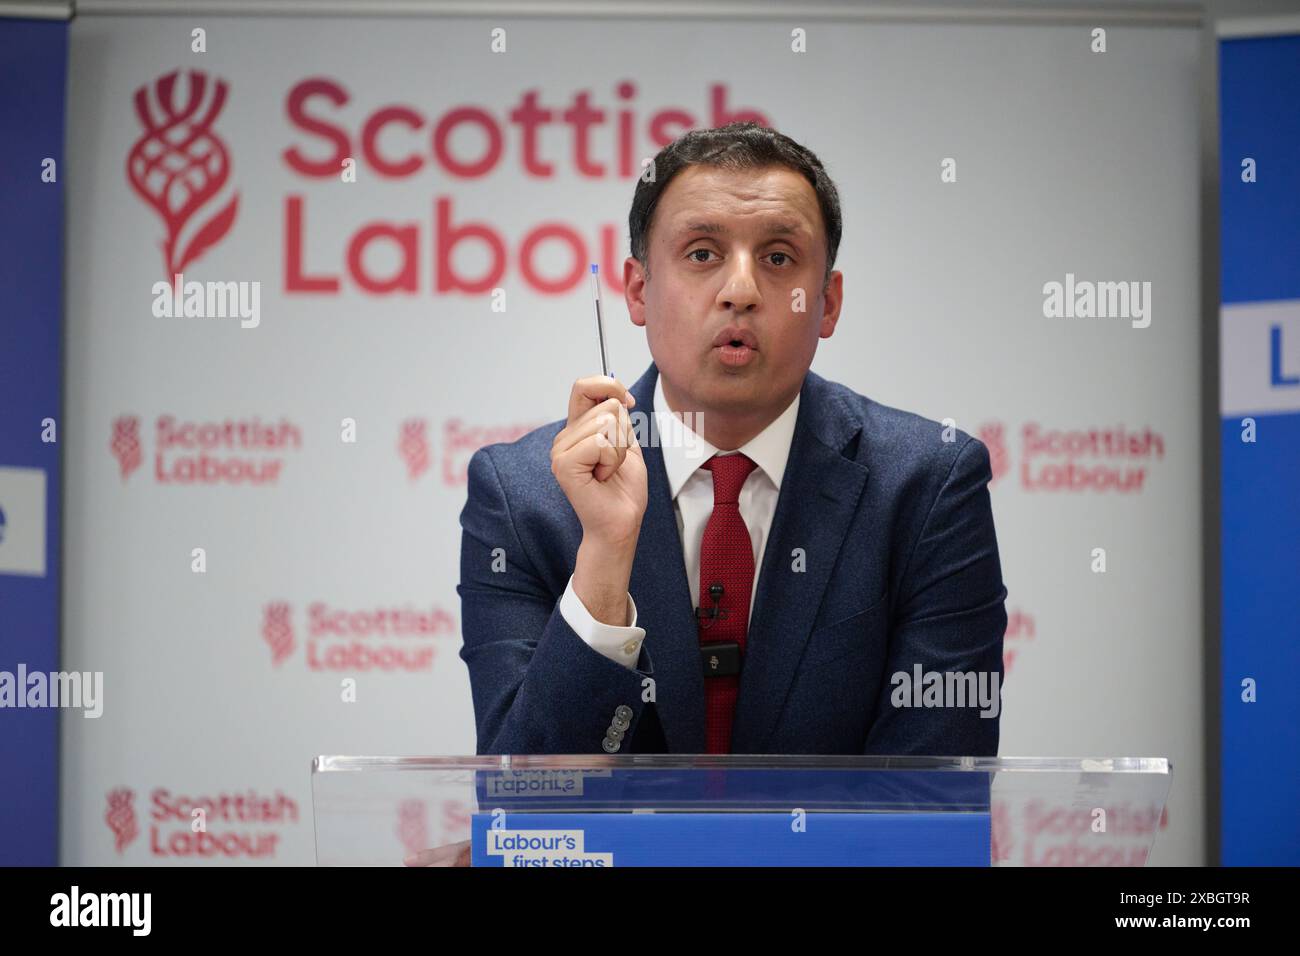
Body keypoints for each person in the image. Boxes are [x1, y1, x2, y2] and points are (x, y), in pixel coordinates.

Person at [457, 121, 1007, 755]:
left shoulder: (929, 485)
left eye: (778, 258)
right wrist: (605, 558)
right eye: (702, 254)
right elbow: (529, 792)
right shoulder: (522, 497)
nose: (741, 291)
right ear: (638, 291)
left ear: (827, 302)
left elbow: (933, 791)